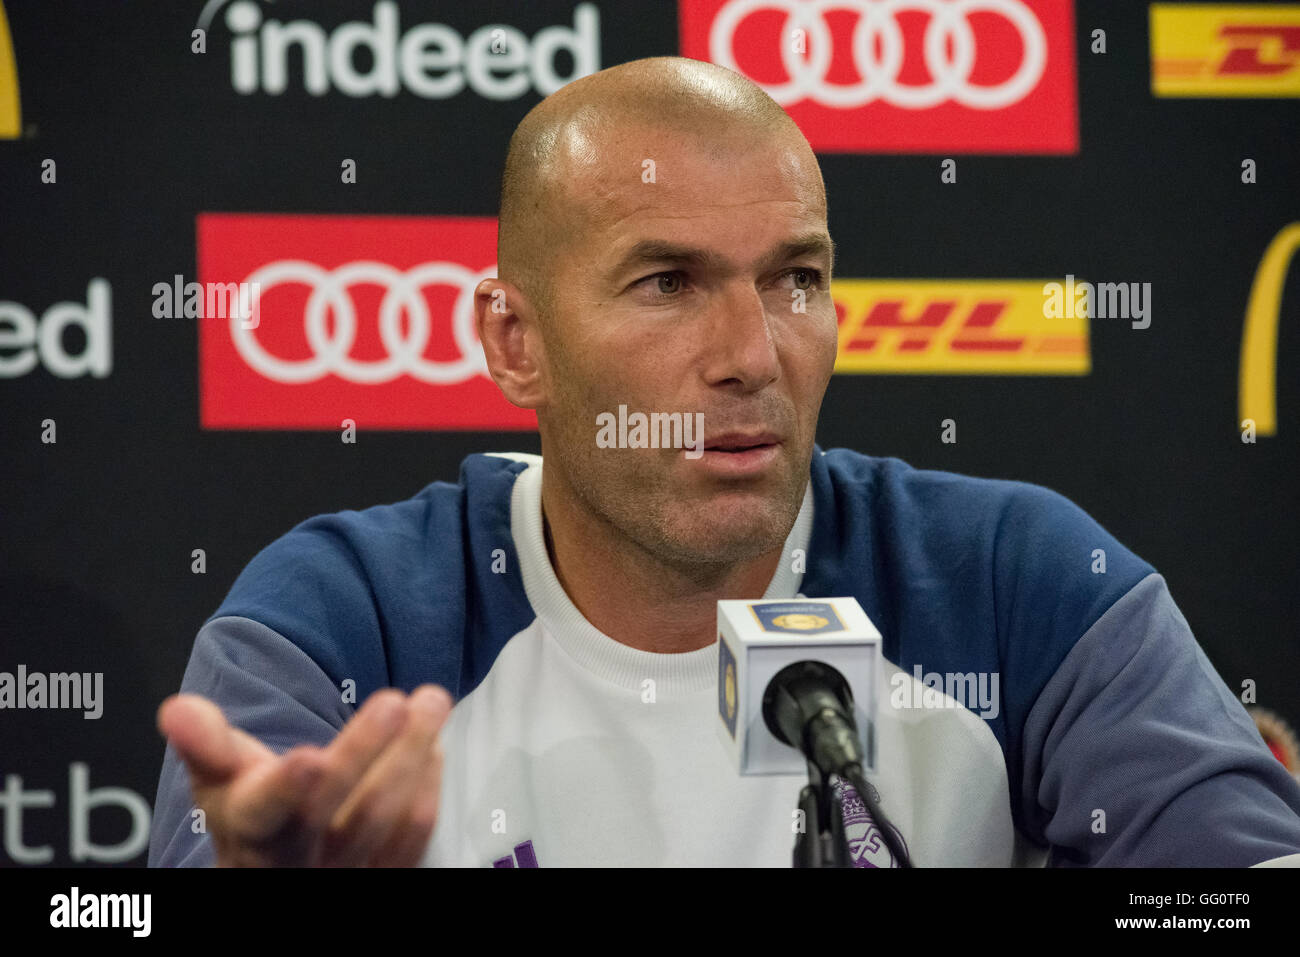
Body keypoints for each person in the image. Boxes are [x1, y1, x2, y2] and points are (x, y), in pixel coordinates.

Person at [148, 56, 1300, 868]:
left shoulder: (1018, 579)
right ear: (516, 342)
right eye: (667, 285)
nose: (752, 356)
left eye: (795, 279)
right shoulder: (344, 621)